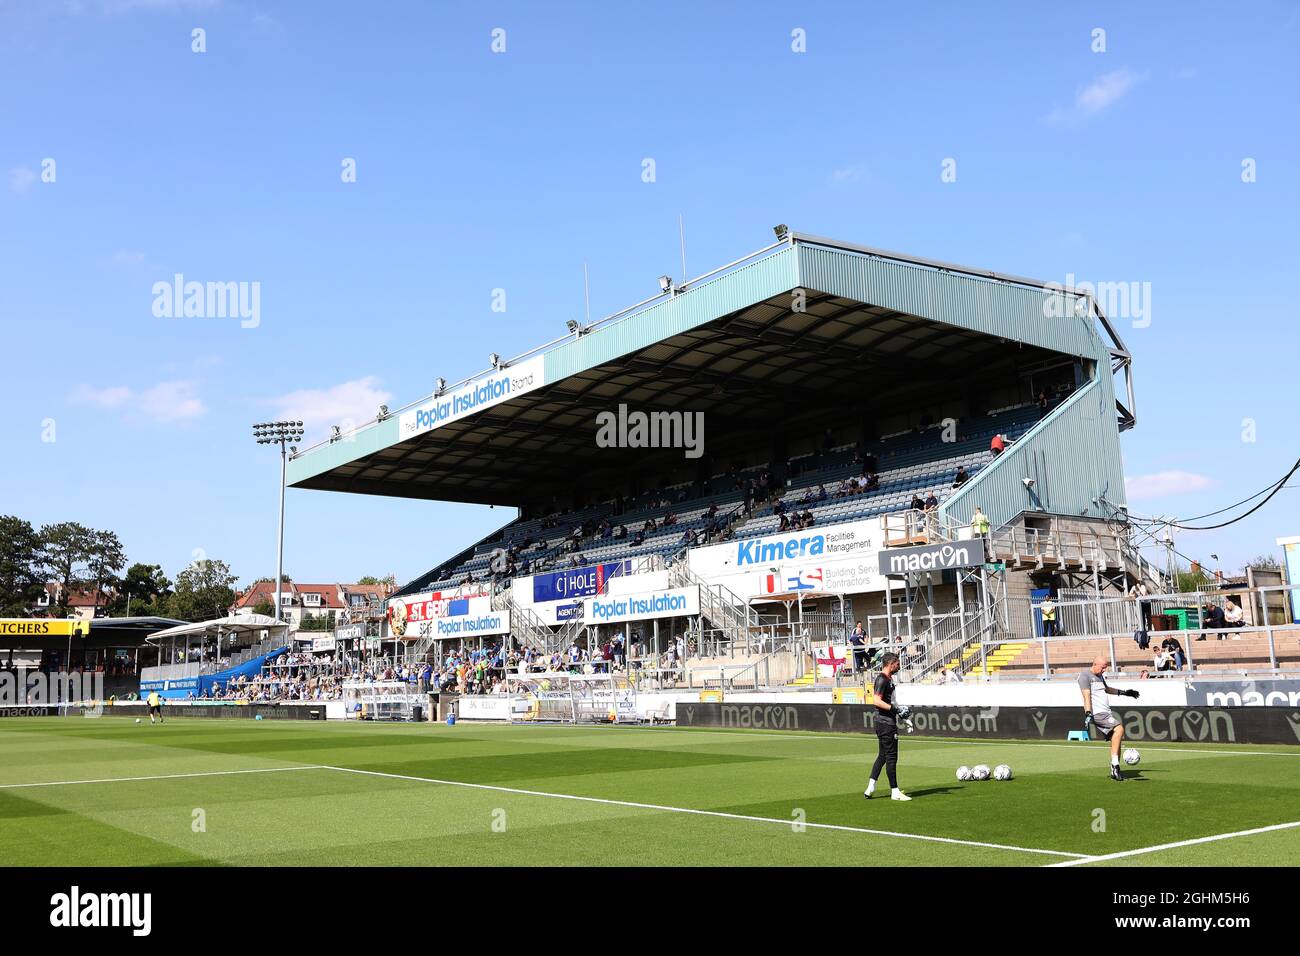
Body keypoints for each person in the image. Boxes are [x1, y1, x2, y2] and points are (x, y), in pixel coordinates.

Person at [1078, 655, 1140, 782]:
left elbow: (1106, 689)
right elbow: (1086, 695)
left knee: (1115, 738)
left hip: (1106, 712)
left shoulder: (1099, 676)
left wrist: (1125, 693)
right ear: (1095, 664)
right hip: (1098, 713)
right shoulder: (1085, 676)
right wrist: (1088, 713)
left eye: (1105, 668)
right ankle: (1115, 766)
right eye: (1103, 667)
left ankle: (1114, 766)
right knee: (1119, 729)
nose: (1104, 670)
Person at [864, 653, 911, 801]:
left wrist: (904, 717)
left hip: (886, 722)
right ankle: (895, 791)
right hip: (885, 724)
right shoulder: (882, 679)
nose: (899, 666)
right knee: (891, 757)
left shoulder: (889, 680)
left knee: (883, 755)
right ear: (890, 664)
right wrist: (895, 710)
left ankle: (870, 787)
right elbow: (876, 701)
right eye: (897, 664)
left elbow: (891, 703)